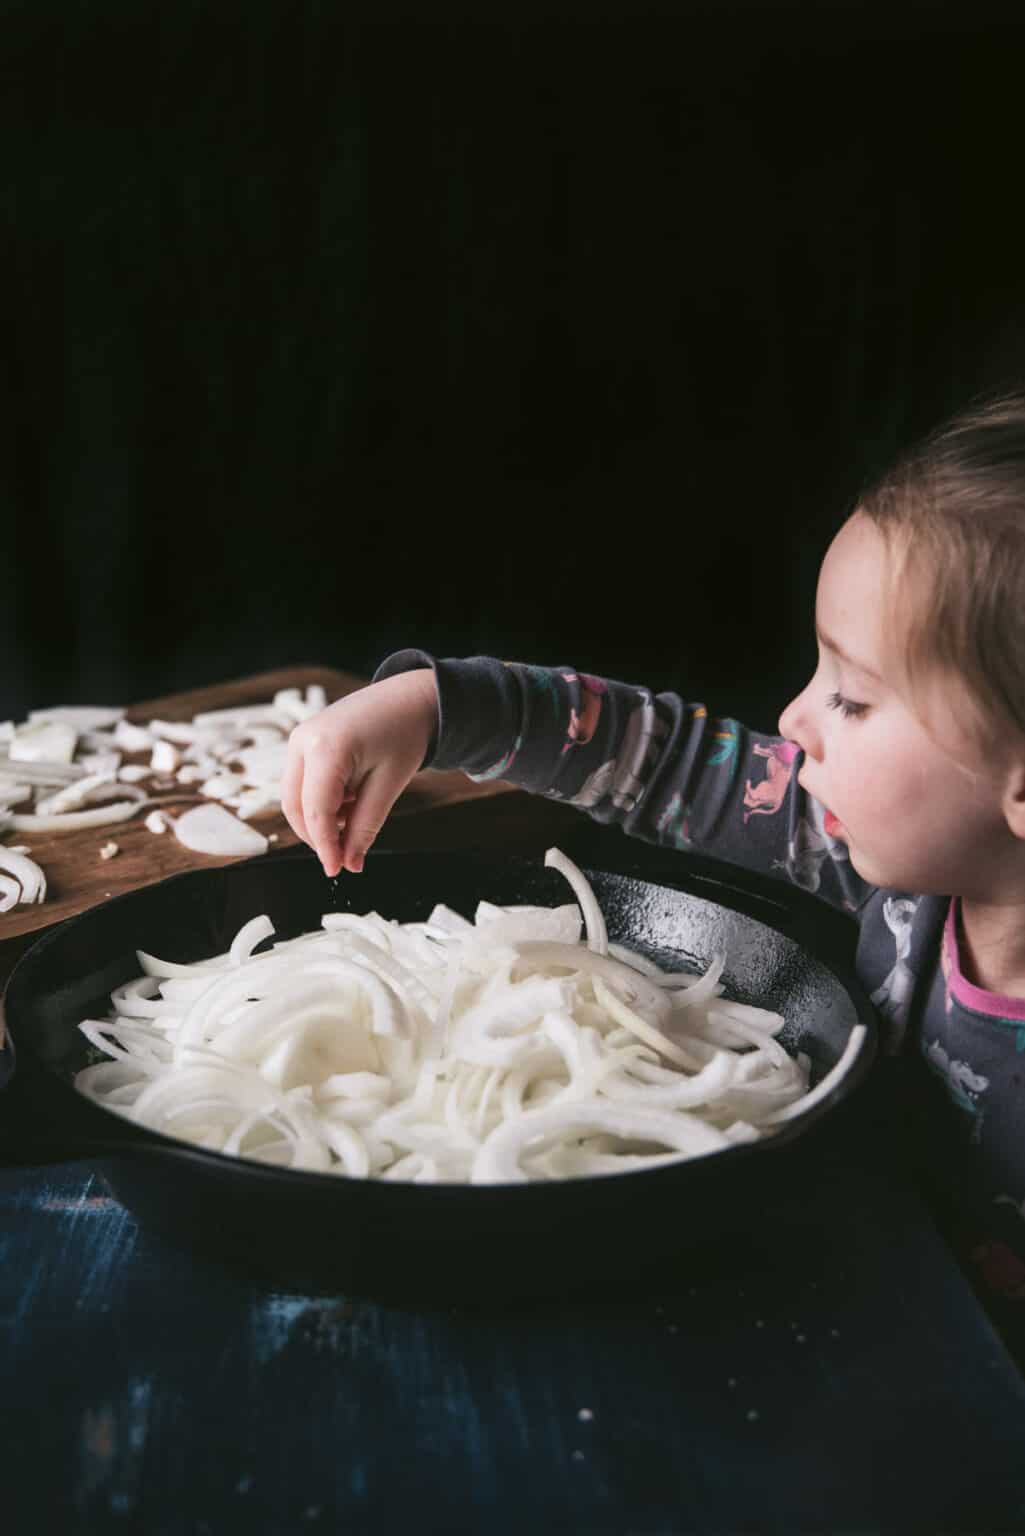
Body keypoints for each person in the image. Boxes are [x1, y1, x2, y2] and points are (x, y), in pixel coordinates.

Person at [282, 390, 1025, 1360]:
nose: (793, 721)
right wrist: (436, 708)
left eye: (849, 698)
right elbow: (663, 758)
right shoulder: (897, 875)